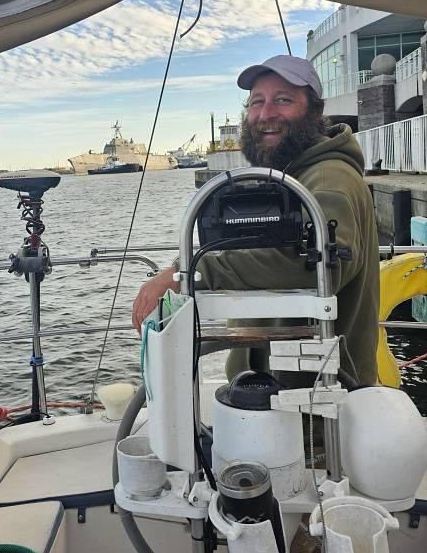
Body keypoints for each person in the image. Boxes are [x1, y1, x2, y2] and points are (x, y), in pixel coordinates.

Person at [132, 54, 379, 386]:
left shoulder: (330, 178)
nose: (265, 115)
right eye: (256, 102)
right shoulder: (293, 174)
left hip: (320, 402)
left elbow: (322, 267)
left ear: (316, 111)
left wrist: (188, 273)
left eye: (283, 100)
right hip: (279, 392)